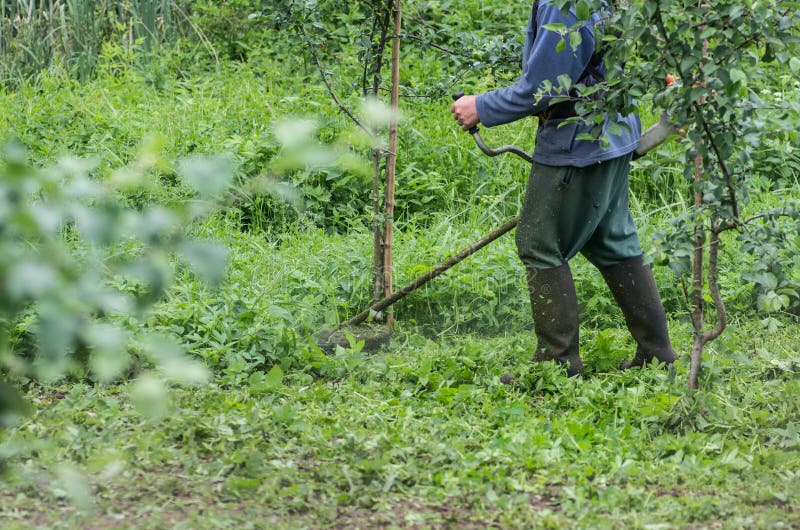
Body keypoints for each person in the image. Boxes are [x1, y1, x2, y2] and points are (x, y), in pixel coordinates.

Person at [450, 0, 678, 376]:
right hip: (616, 135)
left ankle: (556, 367)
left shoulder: (564, 3)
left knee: (539, 243)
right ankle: (657, 353)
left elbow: (543, 87)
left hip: (579, 144)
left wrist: (482, 107)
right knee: (613, 240)